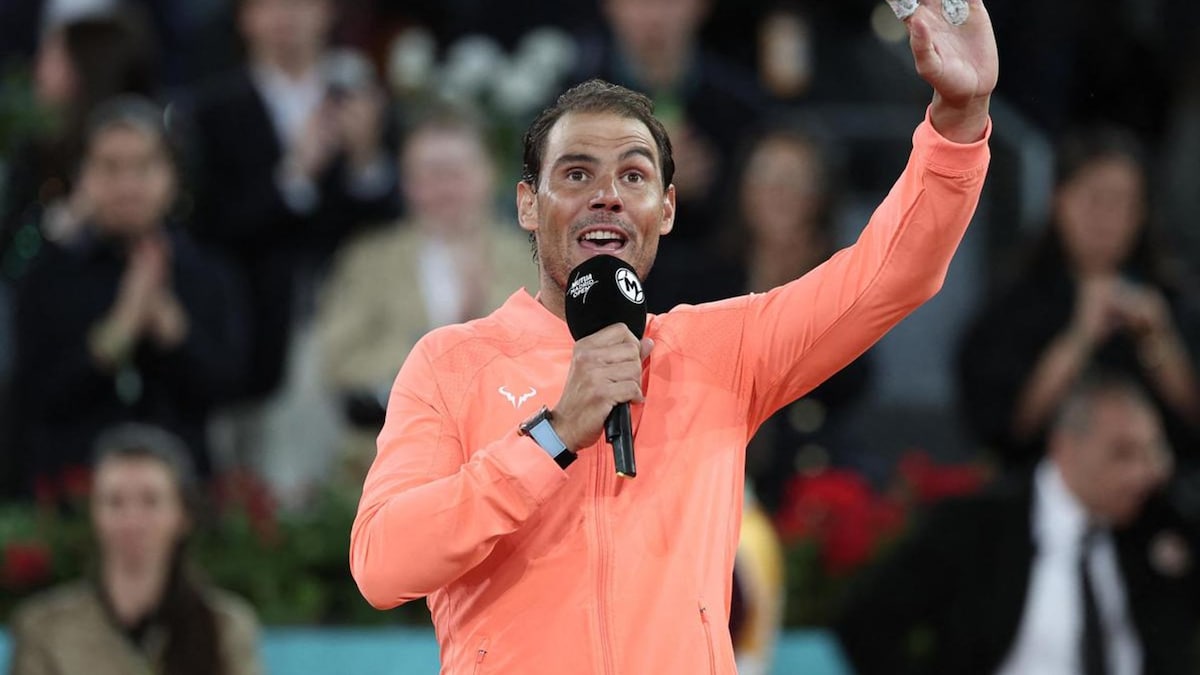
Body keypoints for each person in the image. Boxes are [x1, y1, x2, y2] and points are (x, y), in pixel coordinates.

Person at [350, 1, 997, 671]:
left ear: (666, 210)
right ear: (525, 204)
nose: (607, 194)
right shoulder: (451, 363)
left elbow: (890, 275)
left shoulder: (722, 350)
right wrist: (551, 436)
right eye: (576, 174)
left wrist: (958, 122)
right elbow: (383, 562)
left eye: (633, 175)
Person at [836, 370, 1200, 675]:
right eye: (1123, 454)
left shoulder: (1160, 529)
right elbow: (866, 625)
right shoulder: (976, 526)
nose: (1146, 472)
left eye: (1153, 451)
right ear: (1065, 447)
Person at [10, 95, 248, 498]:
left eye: (143, 167)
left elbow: (225, 387)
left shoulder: (208, 274)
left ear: (172, 176)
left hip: (183, 496)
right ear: (83, 176)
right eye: (109, 167)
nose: (127, 185)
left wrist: (168, 324)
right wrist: (120, 326)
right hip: (70, 493)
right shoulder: (48, 276)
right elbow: (34, 394)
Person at [185, 0, 399, 401]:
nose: (286, 14)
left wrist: (365, 161)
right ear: (245, 17)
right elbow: (210, 224)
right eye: (269, 5)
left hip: (354, 323)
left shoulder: (362, 100)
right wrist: (296, 176)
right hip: (254, 326)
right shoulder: (211, 110)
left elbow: (394, 218)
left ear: (328, 12)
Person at [315, 105, 538, 481]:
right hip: (390, 458)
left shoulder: (530, 259)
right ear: (408, 182)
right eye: (429, 174)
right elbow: (336, 359)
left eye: (455, 172)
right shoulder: (369, 260)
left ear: (489, 175)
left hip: (509, 455)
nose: (444, 187)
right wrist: (434, 356)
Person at [958, 125, 1200, 471]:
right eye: (1093, 199)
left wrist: (1159, 342)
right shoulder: (1014, 306)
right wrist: (1080, 336)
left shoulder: (1172, 302)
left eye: (1122, 202)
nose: (1105, 218)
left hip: (1161, 500)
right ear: (1059, 201)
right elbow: (1008, 430)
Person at [9, 423, 263, 675]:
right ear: (94, 513)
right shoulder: (45, 629)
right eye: (115, 502)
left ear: (183, 515)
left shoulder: (225, 628)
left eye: (150, 501)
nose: (132, 521)